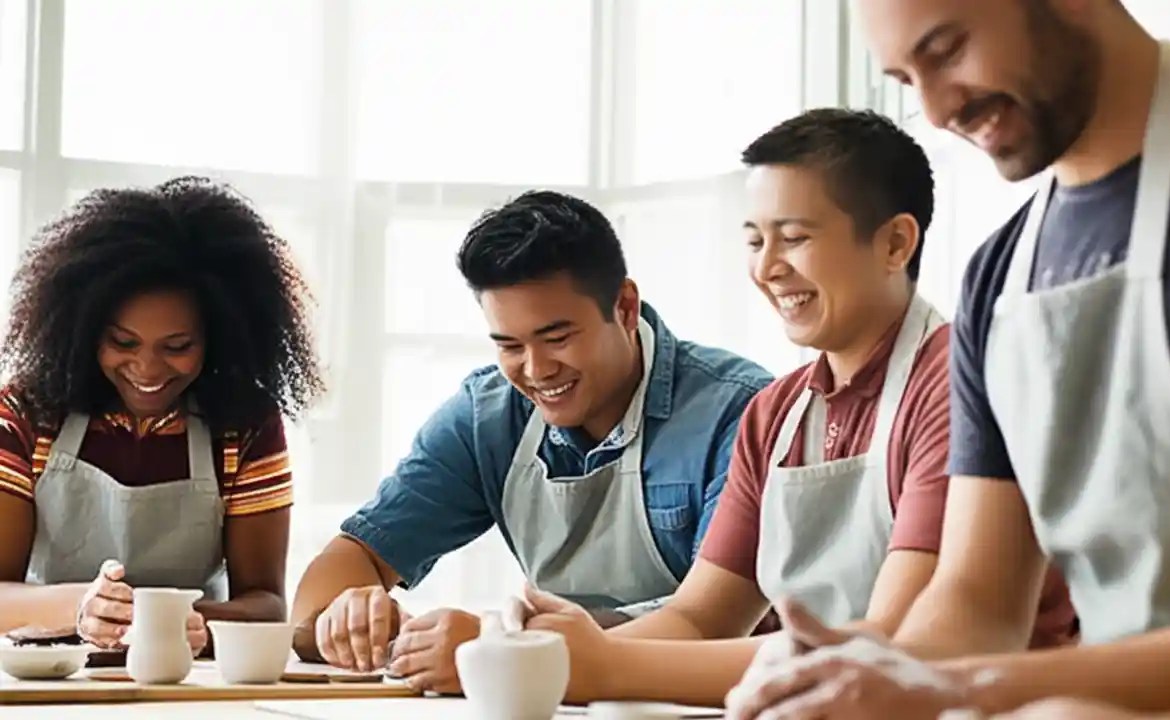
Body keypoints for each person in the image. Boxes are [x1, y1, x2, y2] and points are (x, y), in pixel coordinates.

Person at [723, 0, 1170, 717]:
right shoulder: (1001, 278)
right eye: (905, 78)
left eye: (948, 49)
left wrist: (960, 688)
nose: (937, 108)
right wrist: (857, 668)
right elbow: (976, 603)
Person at [508, 108, 1075, 707]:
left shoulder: (957, 386)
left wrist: (605, 667)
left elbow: (893, 644)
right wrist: (561, 658)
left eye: (795, 237)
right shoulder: (774, 416)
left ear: (895, 243)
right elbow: (700, 619)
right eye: (755, 240)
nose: (767, 267)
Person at [289, 190, 773, 692]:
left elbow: (709, 624)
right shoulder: (488, 417)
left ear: (625, 307)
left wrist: (505, 649)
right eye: (510, 345)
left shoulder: (739, 412)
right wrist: (345, 616)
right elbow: (345, 564)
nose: (537, 371)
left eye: (558, 338)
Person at [0, 177, 323, 654]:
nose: (147, 369)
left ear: (219, 337)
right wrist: (80, 607)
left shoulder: (245, 424)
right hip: (47, 672)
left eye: (177, 347)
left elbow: (267, 602)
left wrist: (197, 623)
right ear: (82, 329)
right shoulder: (26, 412)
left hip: (186, 678)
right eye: (122, 342)